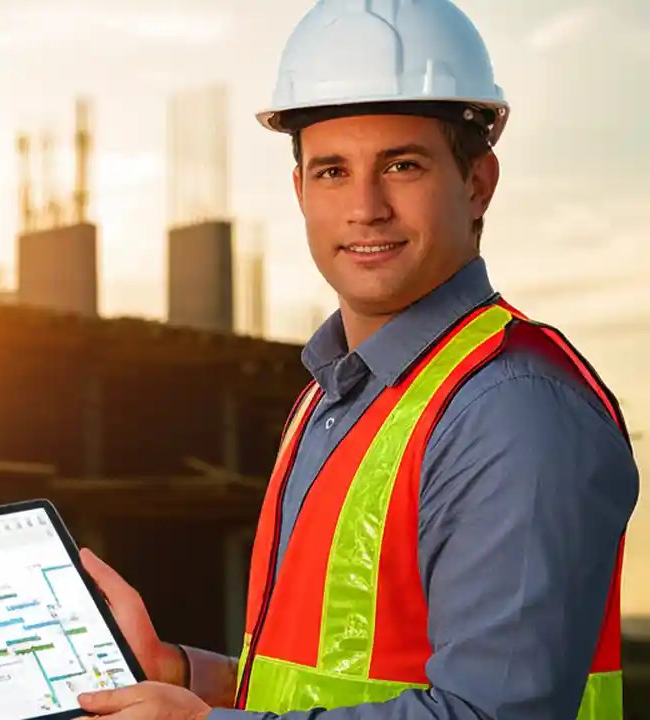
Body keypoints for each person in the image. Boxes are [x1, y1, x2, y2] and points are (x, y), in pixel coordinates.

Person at [76, 1, 640, 718]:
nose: (365, 207)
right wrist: (182, 674)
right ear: (300, 191)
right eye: (332, 171)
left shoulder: (513, 407)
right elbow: (322, 683)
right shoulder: (335, 395)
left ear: (477, 183)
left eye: (402, 165)